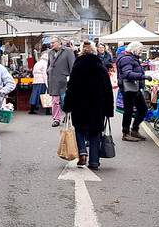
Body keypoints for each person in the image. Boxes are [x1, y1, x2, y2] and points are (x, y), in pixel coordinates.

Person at [63, 41, 114, 170]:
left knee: (79, 129)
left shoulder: (77, 66)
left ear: (81, 51)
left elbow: (70, 87)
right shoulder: (100, 66)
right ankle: (94, 162)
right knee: (95, 132)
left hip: (79, 105)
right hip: (97, 106)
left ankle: (82, 152)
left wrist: (67, 105)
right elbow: (108, 89)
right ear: (94, 51)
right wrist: (109, 109)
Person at [116, 41, 151, 142]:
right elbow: (127, 74)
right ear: (134, 49)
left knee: (142, 109)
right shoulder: (127, 58)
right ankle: (126, 133)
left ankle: (134, 130)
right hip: (129, 88)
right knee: (129, 110)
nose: (141, 52)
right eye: (140, 50)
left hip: (133, 88)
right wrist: (143, 76)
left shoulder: (130, 57)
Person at [46, 37, 76, 127]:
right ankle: (56, 119)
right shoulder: (50, 52)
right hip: (53, 80)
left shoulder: (68, 51)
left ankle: (67, 115)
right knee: (55, 101)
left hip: (64, 81)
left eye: (53, 42)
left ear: (59, 43)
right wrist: (48, 72)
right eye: (51, 43)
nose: (51, 44)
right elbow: (49, 64)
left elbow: (72, 66)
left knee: (64, 101)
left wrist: (72, 80)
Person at [29, 45, 49, 114]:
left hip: (35, 81)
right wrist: (47, 84)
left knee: (34, 95)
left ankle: (32, 109)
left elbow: (33, 72)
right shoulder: (45, 64)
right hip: (42, 82)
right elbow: (45, 74)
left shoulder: (37, 63)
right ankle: (46, 111)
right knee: (45, 96)